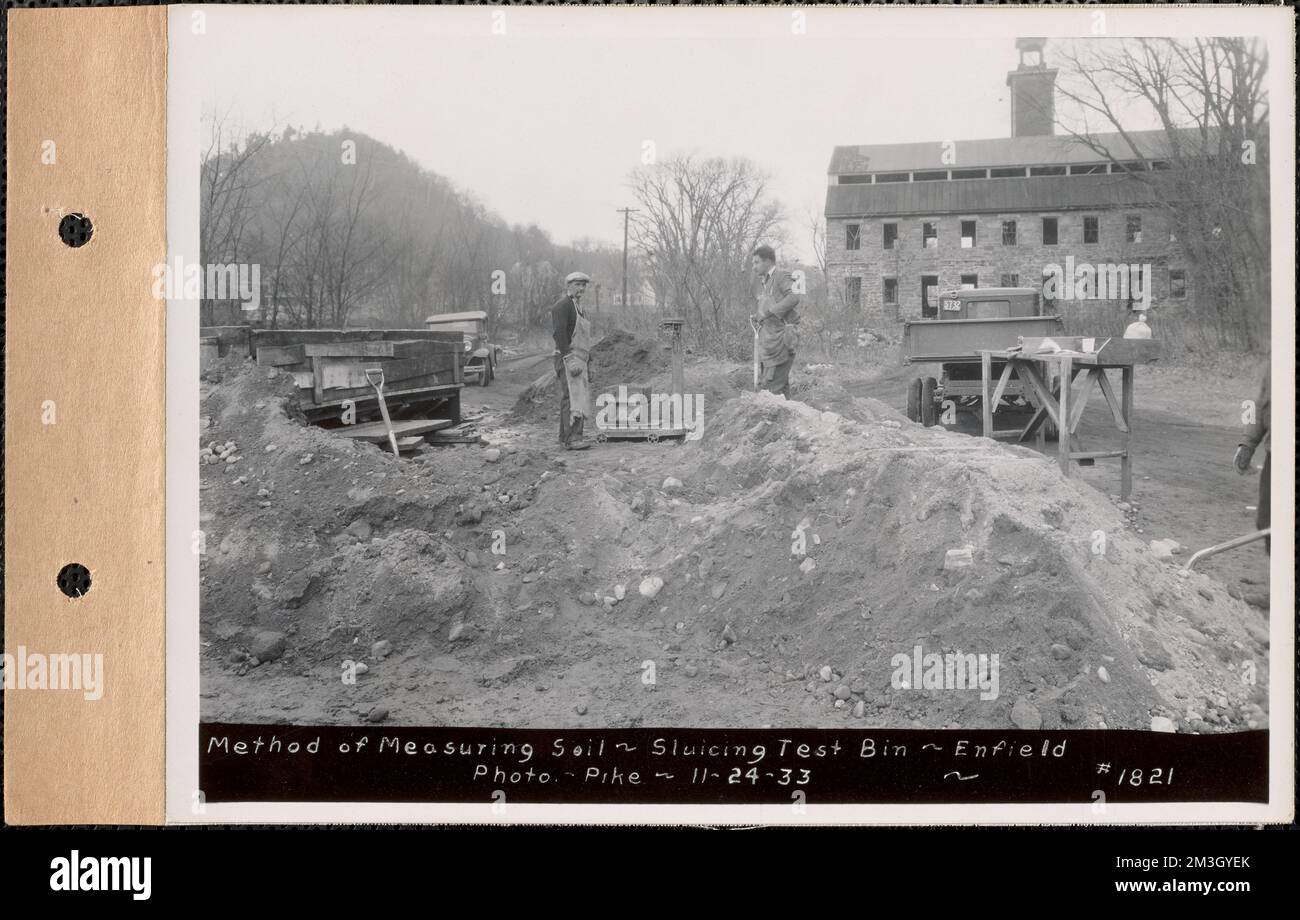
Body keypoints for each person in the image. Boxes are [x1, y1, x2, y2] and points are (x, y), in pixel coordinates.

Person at [551, 271, 595, 450]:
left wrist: (589, 362)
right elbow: (559, 334)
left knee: (579, 399)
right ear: (568, 285)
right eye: (578, 284)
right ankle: (571, 440)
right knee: (571, 399)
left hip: (581, 358)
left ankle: (568, 439)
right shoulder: (562, 306)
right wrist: (569, 359)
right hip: (568, 357)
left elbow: (584, 339)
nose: (582, 288)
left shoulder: (580, 309)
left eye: (584, 285)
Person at [750, 244, 801, 398]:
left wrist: (767, 313)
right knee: (781, 392)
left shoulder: (781, 276)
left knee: (770, 391)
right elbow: (770, 309)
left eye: (756, 262)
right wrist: (759, 316)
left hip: (782, 343)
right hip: (770, 345)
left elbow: (793, 298)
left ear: (767, 261)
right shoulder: (766, 282)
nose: (753, 267)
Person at [1233, 360, 1270, 553]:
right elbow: (1263, 402)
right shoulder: (1279, 360)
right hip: (1277, 459)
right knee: (1268, 523)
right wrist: (1247, 445)